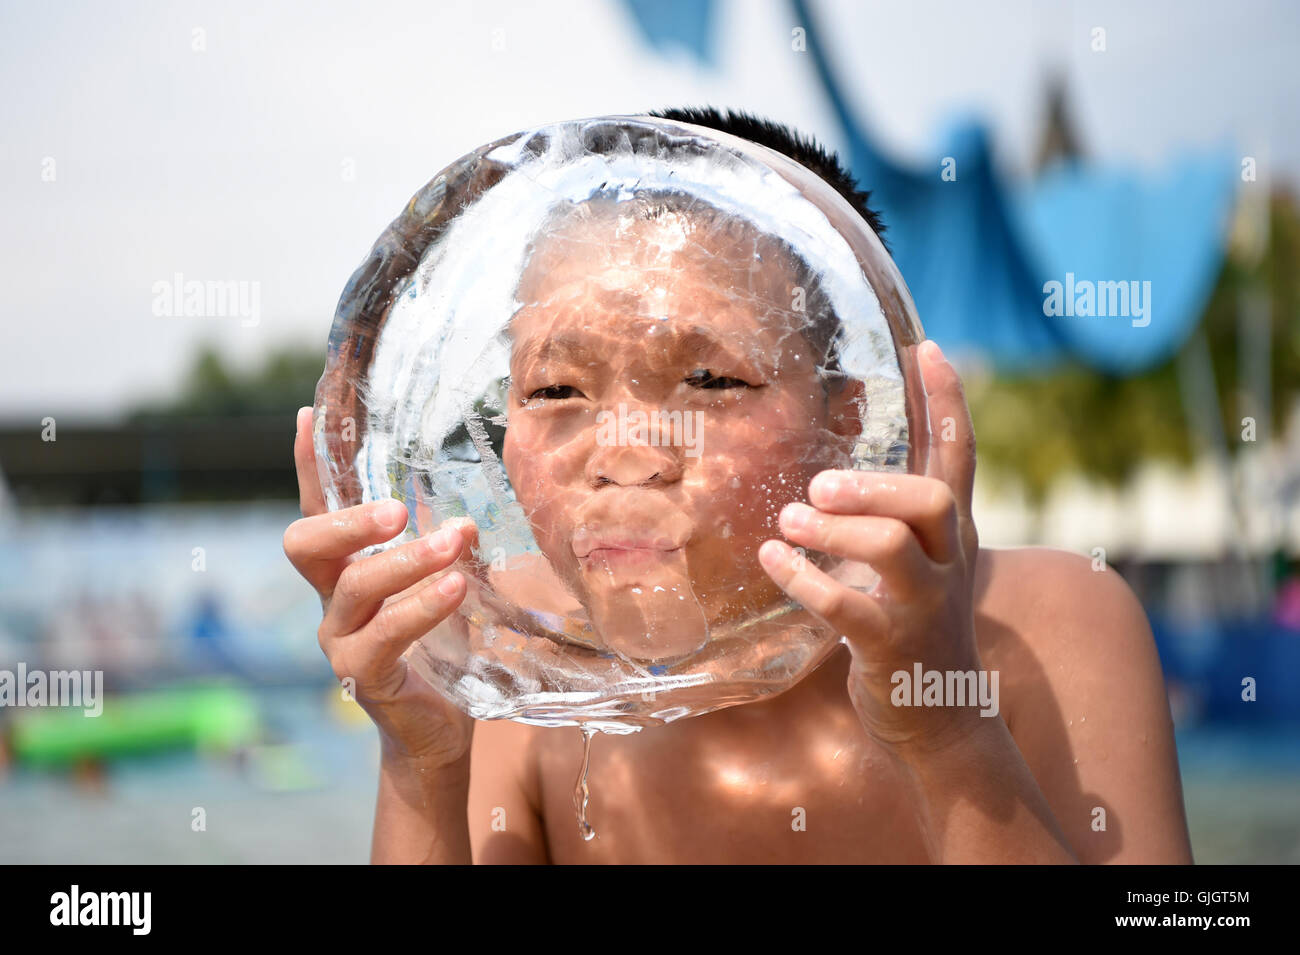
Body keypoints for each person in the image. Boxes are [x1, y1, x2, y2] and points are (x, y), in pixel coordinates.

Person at [283, 107, 1193, 864]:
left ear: (848, 420)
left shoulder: (1042, 632)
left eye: (711, 381)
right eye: (556, 390)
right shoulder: (518, 680)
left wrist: (943, 727)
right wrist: (422, 759)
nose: (626, 451)